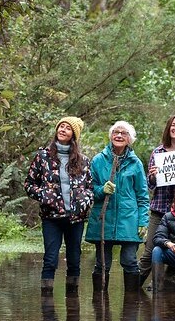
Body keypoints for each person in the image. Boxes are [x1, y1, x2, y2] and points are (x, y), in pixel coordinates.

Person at [25, 116, 94, 296]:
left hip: (75, 218)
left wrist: (85, 199)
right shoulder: (43, 157)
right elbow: (29, 184)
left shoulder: (83, 160)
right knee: (50, 259)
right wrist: (44, 195)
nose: (63, 130)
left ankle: (73, 305)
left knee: (74, 260)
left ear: (74, 135)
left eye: (67, 128)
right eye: (61, 127)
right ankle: (46, 304)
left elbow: (90, 187)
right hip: (51, 218)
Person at [86, 121, 150, 293]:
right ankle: (100, 308)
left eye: (124, 133)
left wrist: (143, 221)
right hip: (104, 218)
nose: (119, 135)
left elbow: (142, 195)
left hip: (129, 220)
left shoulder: (135, 163)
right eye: (116, 132)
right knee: (102, 263)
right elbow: (88, 189)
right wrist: (101, 190)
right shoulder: (98, 160)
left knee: (129, 261)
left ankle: (131, 305)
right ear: (110, 136)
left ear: (130, 139)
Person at [139, 113, 175, 284]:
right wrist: (154, 176)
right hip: (159, 209)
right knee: (149, 252)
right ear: (169, 128)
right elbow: (150, 184)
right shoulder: (158, 152)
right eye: (173, 125)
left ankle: (167, 293)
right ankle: (132, 293)